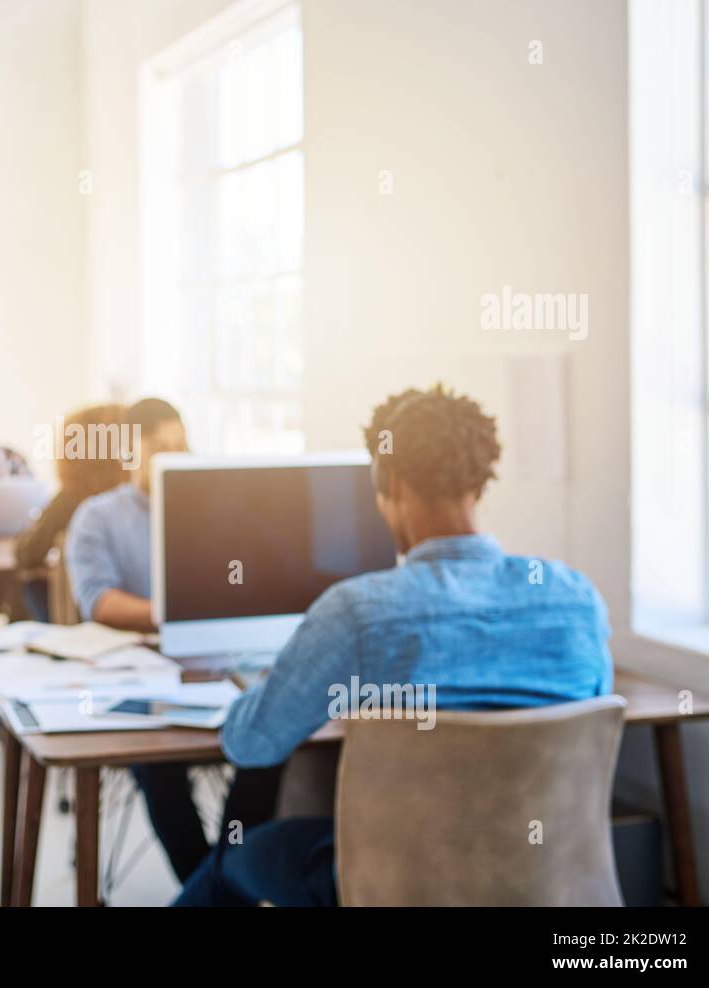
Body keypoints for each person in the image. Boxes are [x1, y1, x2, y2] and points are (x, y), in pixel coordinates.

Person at [174, 384, 614, 906]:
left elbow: (251, 744)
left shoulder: (359, 612)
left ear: (395, 486)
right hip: (542, 873)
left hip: (395, 881)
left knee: (236, 857)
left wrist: (276, 678)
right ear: (480, 482)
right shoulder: (575, 600)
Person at [65, 397, 285, 884]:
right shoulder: (98, 517)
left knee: (270, 739)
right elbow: (97, 602)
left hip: (223, 664)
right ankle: (209, 886)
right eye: (161, 447)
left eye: (181, 445)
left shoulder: (222, 511)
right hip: (143, 672)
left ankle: (219, 883)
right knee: (155, 762)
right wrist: (175, 613)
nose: (175, 456)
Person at [13, 402, 129, 622]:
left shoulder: (73, 499)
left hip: (86, 616)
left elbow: (26, 553)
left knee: (30, 580)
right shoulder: (137, 496)